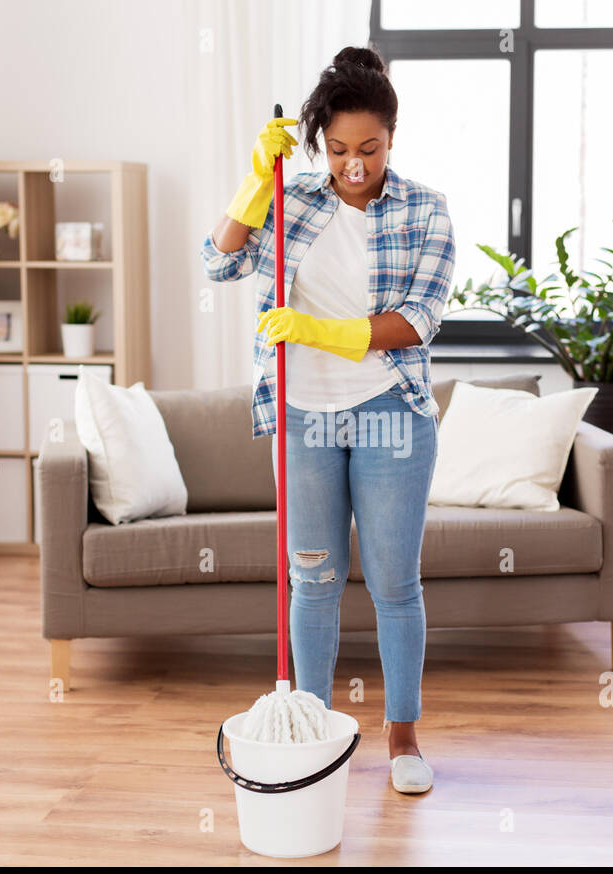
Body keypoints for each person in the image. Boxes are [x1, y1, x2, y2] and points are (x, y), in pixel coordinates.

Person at [201, 45, 455, 795]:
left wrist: (325, 331)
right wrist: (254, 186)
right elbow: (218, 266)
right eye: (338, 149)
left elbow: (419, 320)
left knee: (393, 585)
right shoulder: (294, 197)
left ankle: (403, 739)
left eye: (369, 149)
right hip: (303, 417)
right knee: (311, 582)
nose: (354, 164)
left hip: (390, 414)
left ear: (392, 137)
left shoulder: (425, 208)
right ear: (318, 144)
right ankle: (310, 732)